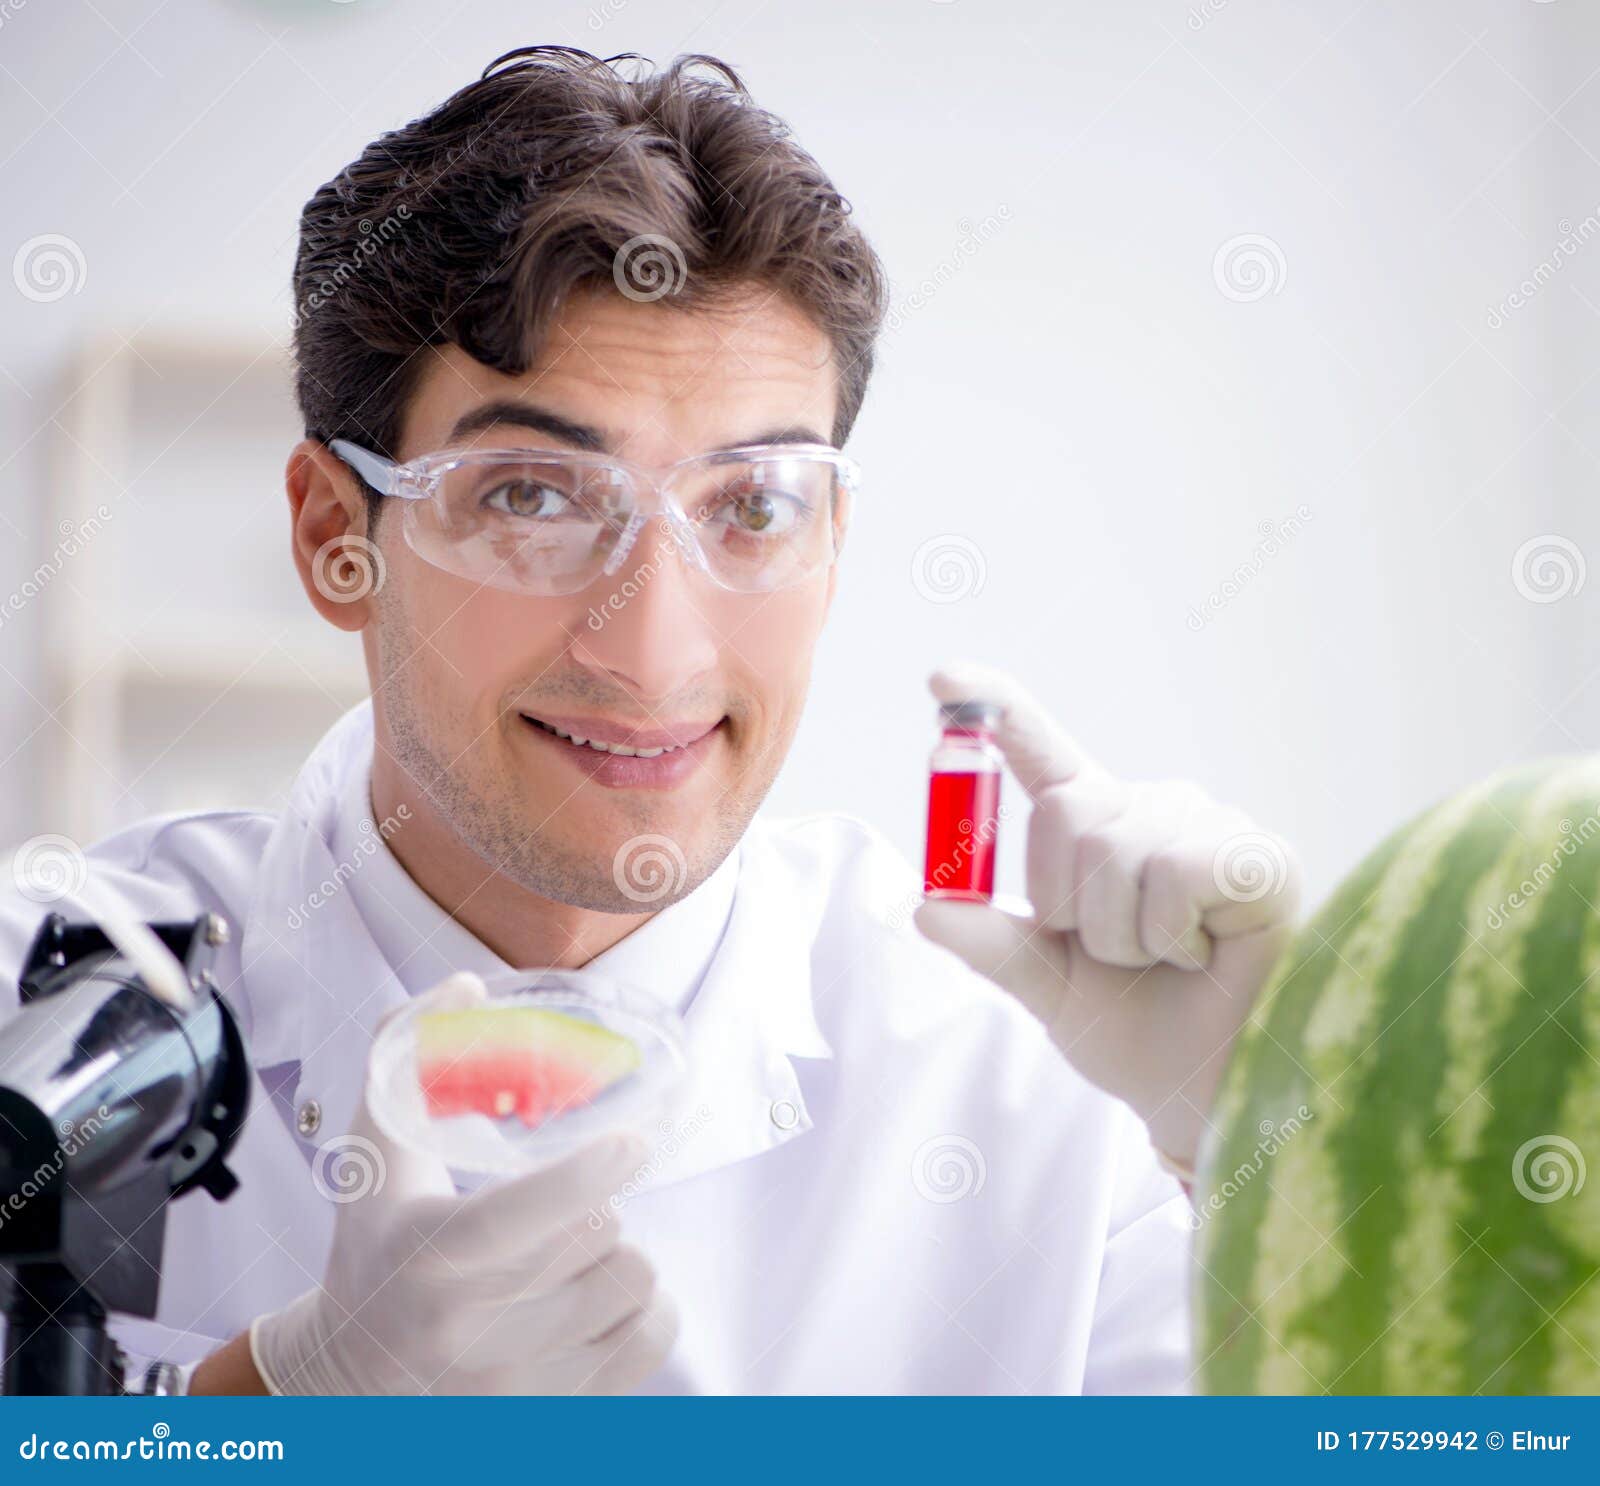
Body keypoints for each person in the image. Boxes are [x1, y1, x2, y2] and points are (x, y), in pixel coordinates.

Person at [0, 45, 1300, 1395]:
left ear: (832, 539)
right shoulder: (46, 1012)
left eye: (752, 506)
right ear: (339, 535)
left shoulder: (1037, 1092)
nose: (653, 649)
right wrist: (274, 1411)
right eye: (531, 496)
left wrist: (1275, 1145)